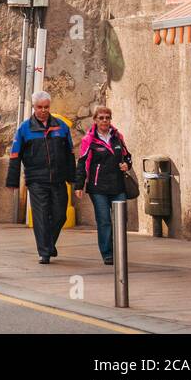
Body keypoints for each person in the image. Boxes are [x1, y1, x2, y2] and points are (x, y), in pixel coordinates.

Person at [6, 91, 76, 264]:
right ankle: (44, 252)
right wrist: (12, 181)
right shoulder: (24, 129)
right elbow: (15, 156)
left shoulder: (61, 127)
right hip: (36, 180)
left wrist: (74, 178)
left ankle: (49, 243)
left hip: (58, 179)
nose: (43, 110)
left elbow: (69, 154)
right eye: (40, 107)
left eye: (46, 107)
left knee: (60, 215)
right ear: (34, 107)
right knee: (41, 216)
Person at [74, 106, 133, 265]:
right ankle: (107, 254)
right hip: (98, 188)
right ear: (95, 120)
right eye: (101, 118)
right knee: (104, 220)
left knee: (121, 220)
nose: (104, 120)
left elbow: (128, 157)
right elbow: (82, 163)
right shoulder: (89, 140)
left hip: (118, 186)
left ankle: (119, 251)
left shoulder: (117, 137)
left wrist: (127, 165)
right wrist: (79, 185)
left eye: (107, 117)